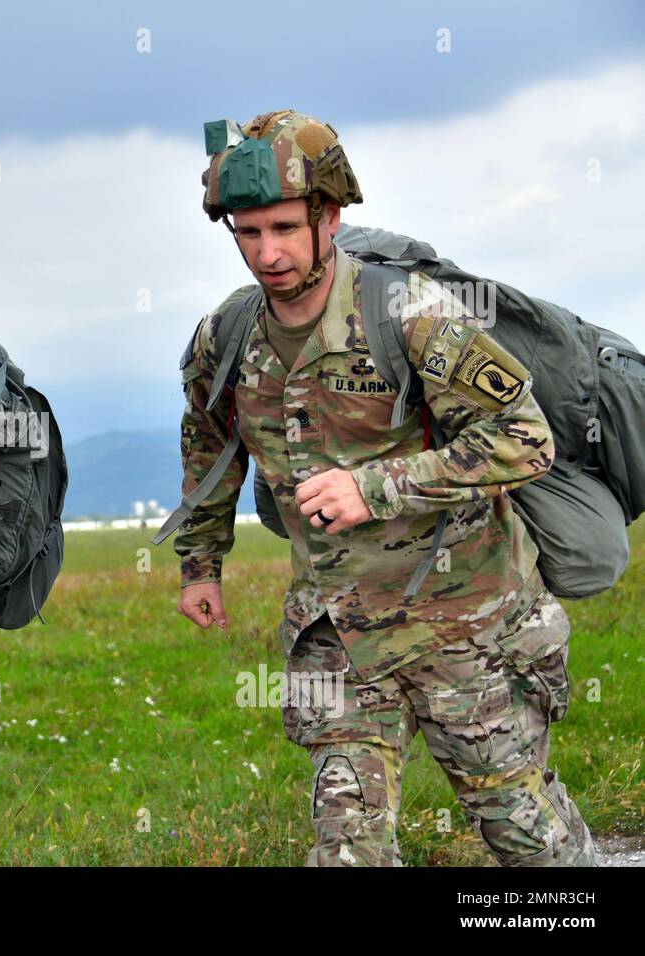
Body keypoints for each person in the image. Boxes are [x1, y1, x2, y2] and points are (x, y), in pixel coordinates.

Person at [171, 109, 595, 866]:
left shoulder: (410, 316)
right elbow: (210, 444)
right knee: (346, 847)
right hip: (339, 634)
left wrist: (380, 487)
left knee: (526, 836)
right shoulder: (228, 336)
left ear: (328, 217)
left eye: (283, 229)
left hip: (464, 627)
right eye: (247, 233)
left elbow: (524, 440)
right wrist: (201, 564)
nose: (267, 253)